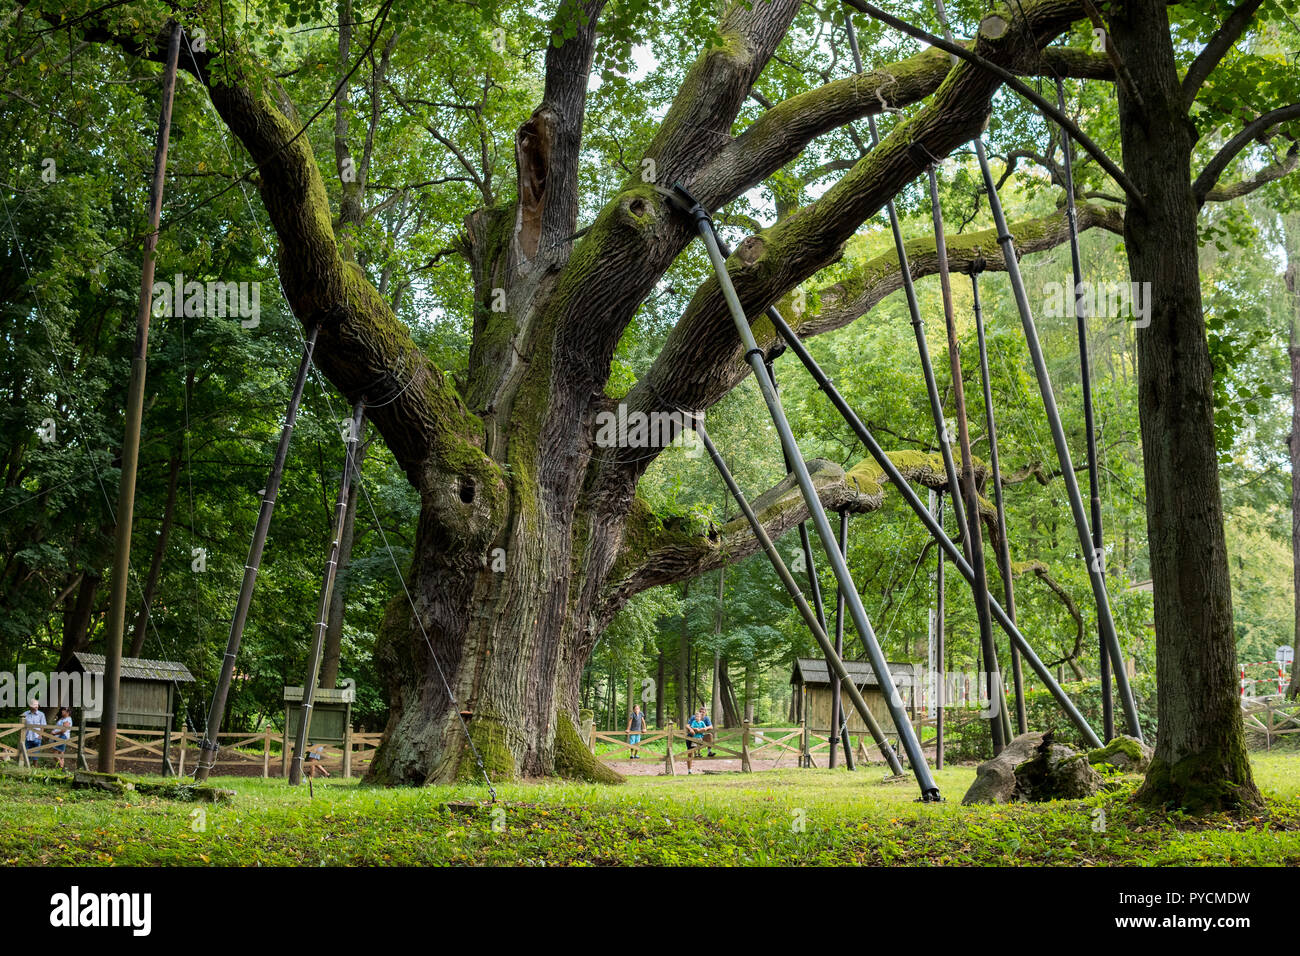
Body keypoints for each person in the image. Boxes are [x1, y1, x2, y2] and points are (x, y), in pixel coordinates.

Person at [22, 698, 46, 766]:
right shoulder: (25, 714)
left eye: (37, 705)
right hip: (27, 737)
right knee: (26, 754)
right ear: (30, 706)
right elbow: (21, 725)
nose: (36, 707)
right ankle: (27, 768)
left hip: (36, 737)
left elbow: (43, 726)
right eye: (35, 705)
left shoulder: (41, 714)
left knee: (36, 755)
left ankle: (35, 768)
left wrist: (40, 735)